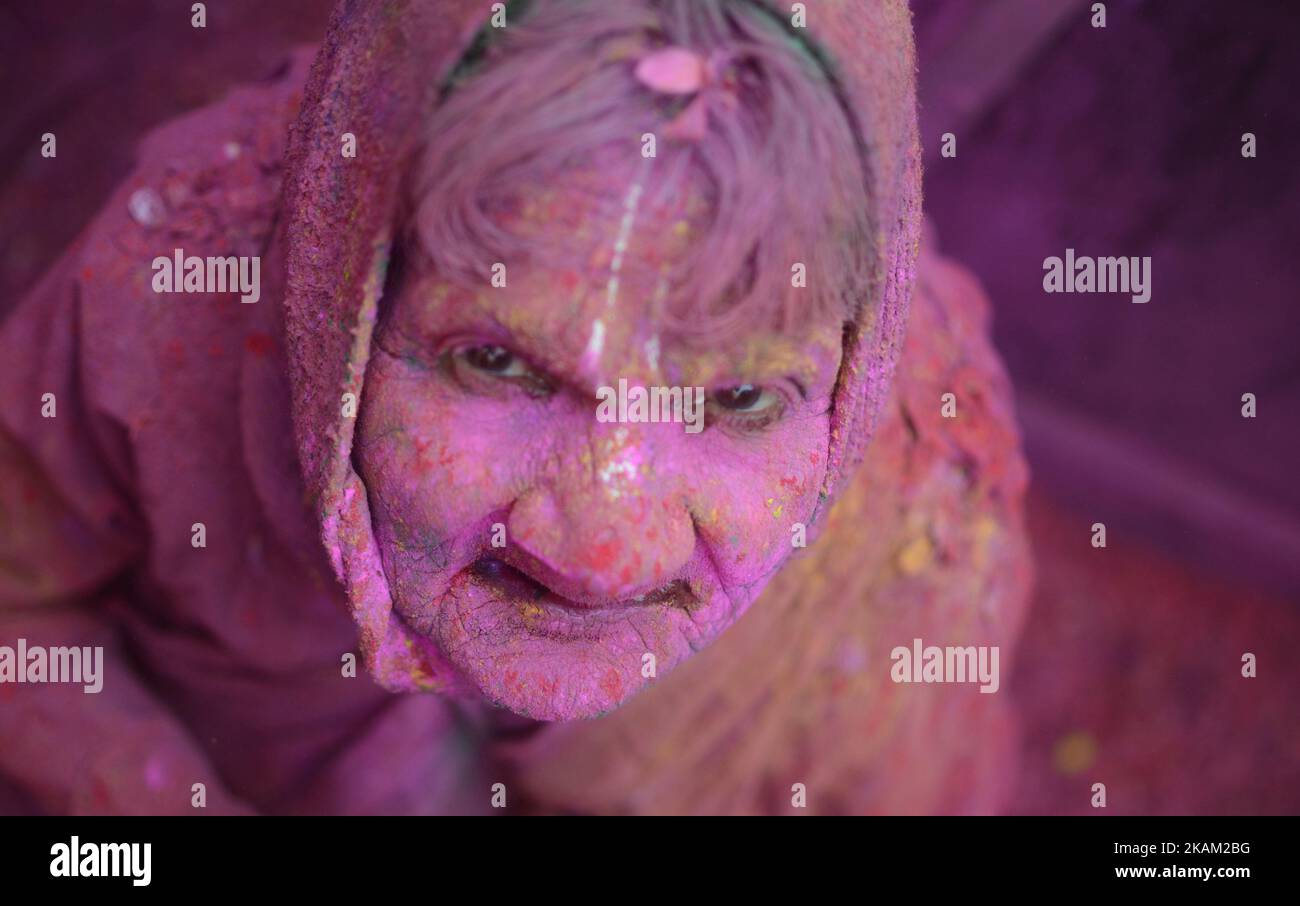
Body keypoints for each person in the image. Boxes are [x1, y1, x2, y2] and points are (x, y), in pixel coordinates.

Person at [0, 0, 1029, 814]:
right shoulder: (173, 296)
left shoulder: (920, 508)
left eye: (744, 397)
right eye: (496, 363)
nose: (603, 553)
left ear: (850, 375)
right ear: (348, 286)